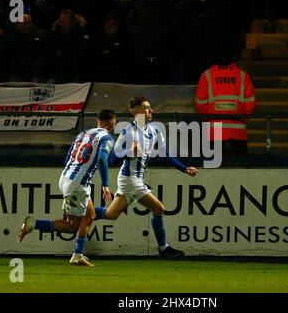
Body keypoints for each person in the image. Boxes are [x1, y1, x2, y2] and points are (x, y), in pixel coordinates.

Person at [93, 95, 199, 258]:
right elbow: (113, 159)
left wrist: (184, 169)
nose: (151, 111)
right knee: (158, 208)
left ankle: (83, 213)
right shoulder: (128, 132)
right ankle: (164, 248)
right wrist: (130, 152)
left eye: (150, 107)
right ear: (136, 112)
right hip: (130, 179)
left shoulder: (155, 130)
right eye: (146, 108)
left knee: (111, 215)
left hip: (134, 179)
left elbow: (166, 155)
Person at [18, 109, 117, 267]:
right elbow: (102, 160)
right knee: (72, 226)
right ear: (112, 123)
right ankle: (34, 224)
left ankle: (78, 255)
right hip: (78, 184)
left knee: (89, 215)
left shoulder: (82, 134)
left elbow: (68, 156)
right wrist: (105, 184)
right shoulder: (107, 138)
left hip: (66, 177)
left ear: (97, 121)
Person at [195, 49, 257, 157]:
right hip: (238, 129)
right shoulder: (242, 75)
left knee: (211, 167)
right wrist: (243, 118)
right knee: (242, 167)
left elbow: (200, 103)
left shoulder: (207, 75)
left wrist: (208, 118)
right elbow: (250, 102)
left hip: (215, 129)